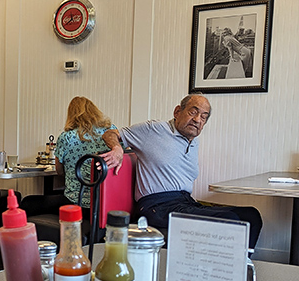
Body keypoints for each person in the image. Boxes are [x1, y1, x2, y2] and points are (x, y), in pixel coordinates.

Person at [101, 94, 262, 248]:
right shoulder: (154, 130)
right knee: (229, 220)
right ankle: (224, 270)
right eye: (193, 112)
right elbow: (110, 133)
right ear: (178, 112)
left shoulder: (194, 142)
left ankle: (242, 265)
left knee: (251, 216)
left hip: (184, 202)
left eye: (203, 117)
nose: (197, 119)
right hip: (156, 206)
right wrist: (117, 148)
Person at [55, 97, 117, 214]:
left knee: (30, 202)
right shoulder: (111, 132)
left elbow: (59, 171)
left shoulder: (66, 137)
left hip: (76, 202)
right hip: (106, 203)